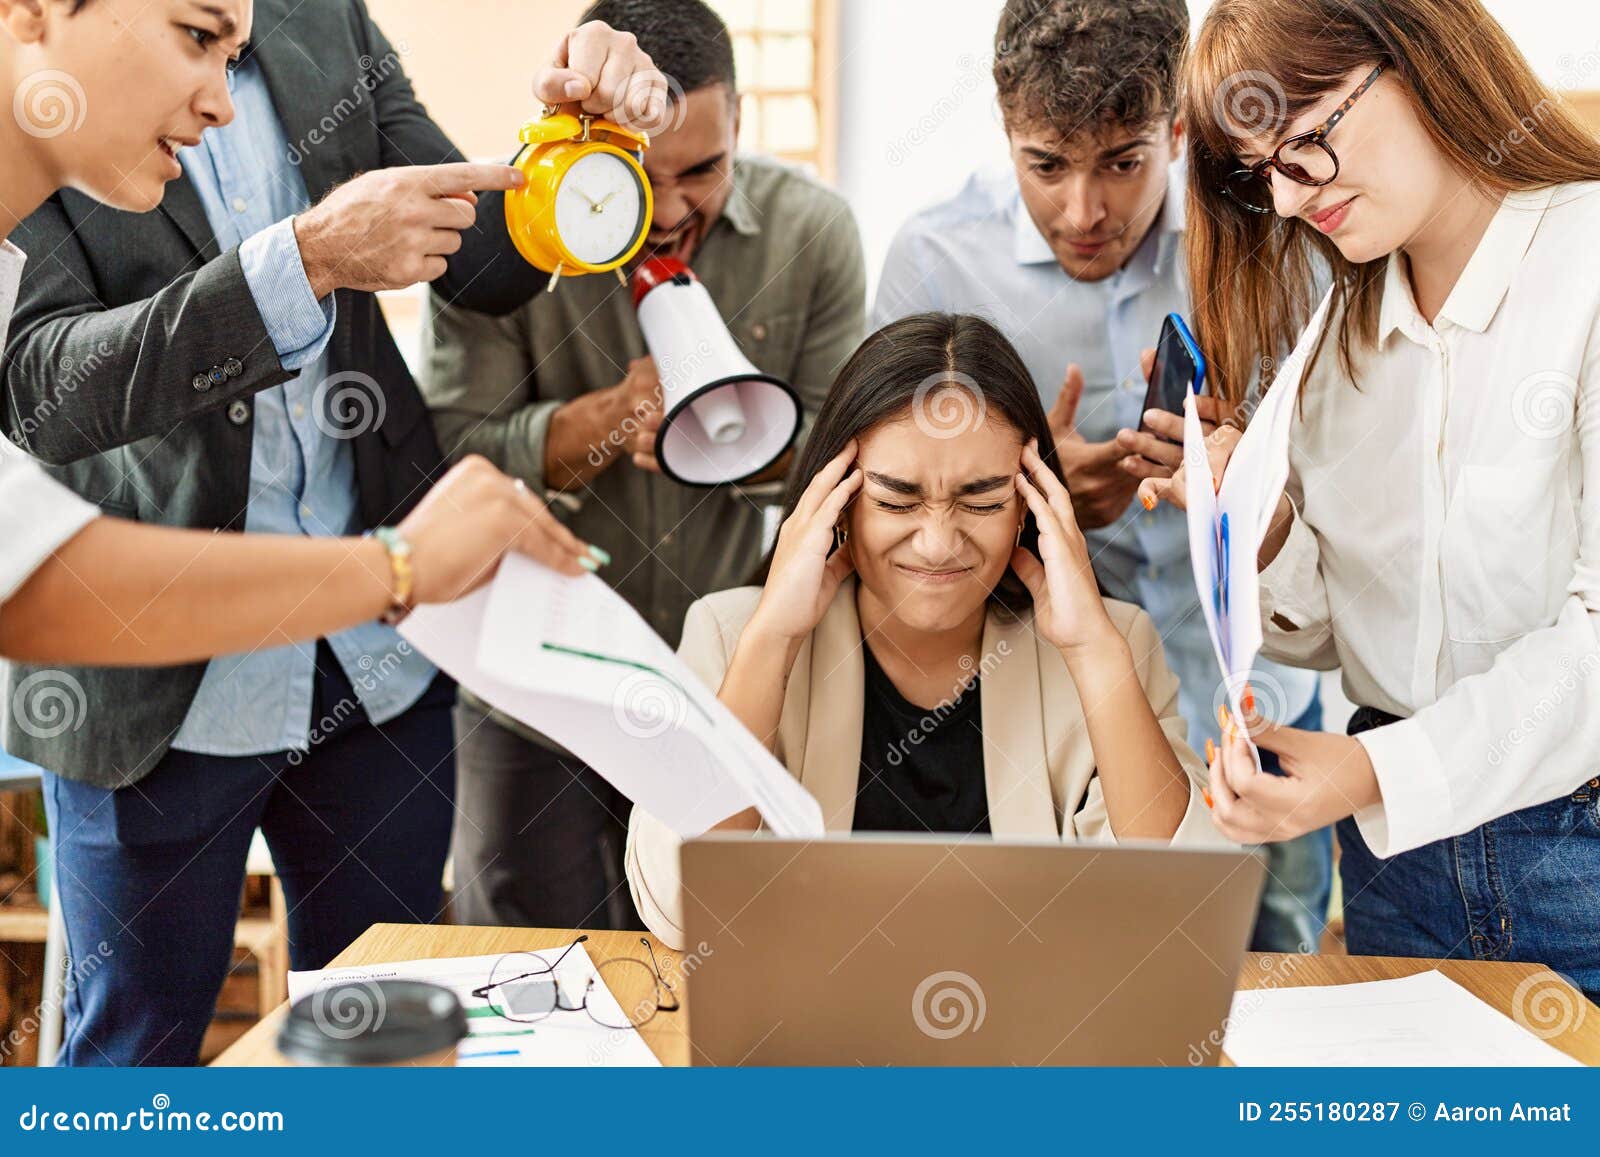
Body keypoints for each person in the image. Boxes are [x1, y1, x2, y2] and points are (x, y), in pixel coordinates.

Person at [0, 0, 657, 1065]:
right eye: (196, 33)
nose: (220, 89)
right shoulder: (44, 139)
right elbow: (42, 396)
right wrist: (302, 259)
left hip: (374, 674)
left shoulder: (317, 20)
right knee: (132, 1056)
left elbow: (484, 259)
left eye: (233, 42)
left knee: (386, 1041)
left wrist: (578, 149)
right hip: (148, 694)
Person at [1143, 0, 1600, 998]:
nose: (1294, 199)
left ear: (1422, 57)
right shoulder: (1337, 340)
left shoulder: (1586, 266)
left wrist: (1374, 774)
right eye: (1264, 172)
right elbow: (1343, 630)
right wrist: (1258, 530)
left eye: (1307, 141)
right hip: (1396, 865)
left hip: (1581, 846)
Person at [873, 0, 1329, 954]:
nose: (1083, 212)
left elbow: (1344, 473)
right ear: (1005, 129)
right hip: (1049, 716)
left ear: (1175, 127)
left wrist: (1244, 465)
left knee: (1277, 970)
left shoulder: (1276, 240)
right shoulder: (933, 258)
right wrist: (1030, 490)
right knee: (1081, 973)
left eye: (1123, 162)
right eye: (1046, 165)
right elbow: (892, 499)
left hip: (1260, 691)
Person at [420, 0, 865, 932]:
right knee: (531, 963)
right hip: (532, 693)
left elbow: (844, 448)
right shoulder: (500, 246)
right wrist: (605, 422)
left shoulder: (812, 233)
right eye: (635, 178)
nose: (666, 213)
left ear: (740, 124)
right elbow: (454, 453)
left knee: (715, 953)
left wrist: (733, 431)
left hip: (721, 682)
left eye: (702, 169)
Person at [626, 313, 1226, 950]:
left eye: (983, 500)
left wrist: (1095, 653)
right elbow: (678, 908)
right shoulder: (732, 635)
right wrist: (772, 637)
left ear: (1033, 504)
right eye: (896, 500)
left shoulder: (1113, 643)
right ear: (834, 502)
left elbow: (1178, 910)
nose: (939, 543)